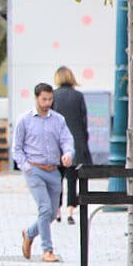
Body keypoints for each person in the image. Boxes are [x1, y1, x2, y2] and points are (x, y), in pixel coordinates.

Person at [12, 83, 75, 263]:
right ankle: (47, 250)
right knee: (45, 208)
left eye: (50, 99)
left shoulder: (58, 120)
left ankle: (29, 233)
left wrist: (68, 154)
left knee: (53, 213)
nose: (47, 103)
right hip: (34, 170)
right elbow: (16, 148)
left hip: (53, 170)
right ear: (36, 98)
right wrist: (26, 167)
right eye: (44, 99)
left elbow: (67, 140)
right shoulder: (24, 120)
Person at [52, 66, 92, 224]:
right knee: (72, 179)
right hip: (76, 142)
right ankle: (70, 211)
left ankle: (57, 211)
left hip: (58, 143)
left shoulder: (53, 96)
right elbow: (83, 121)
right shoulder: (78, 96)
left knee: (57, 178)